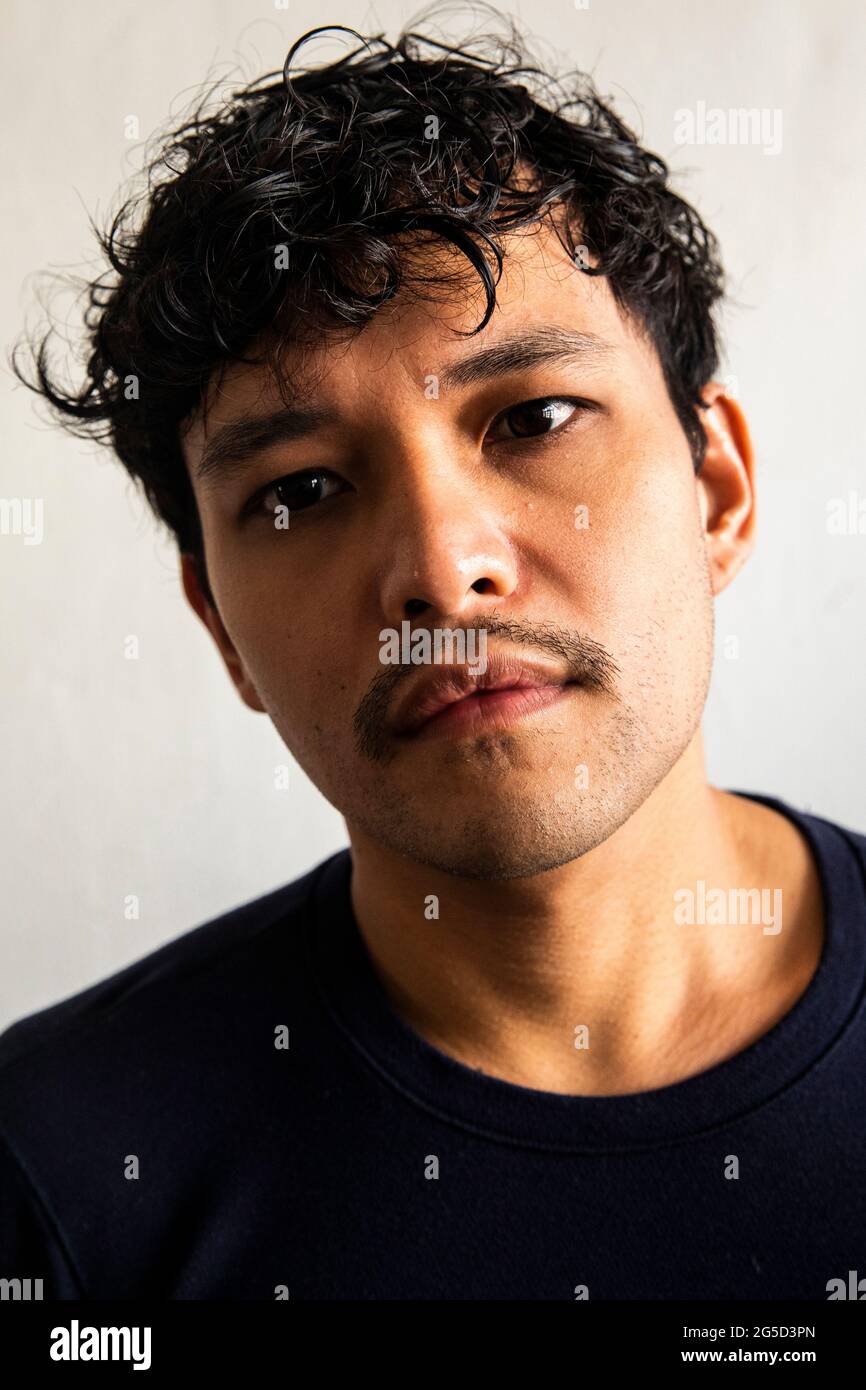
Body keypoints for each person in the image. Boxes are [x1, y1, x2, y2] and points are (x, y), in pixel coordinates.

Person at [2, 15, 864, 1301]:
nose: (438, 568)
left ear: (717, 488)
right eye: (298, 491)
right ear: (217, 624)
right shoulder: (58, 1173)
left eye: (532, 417)